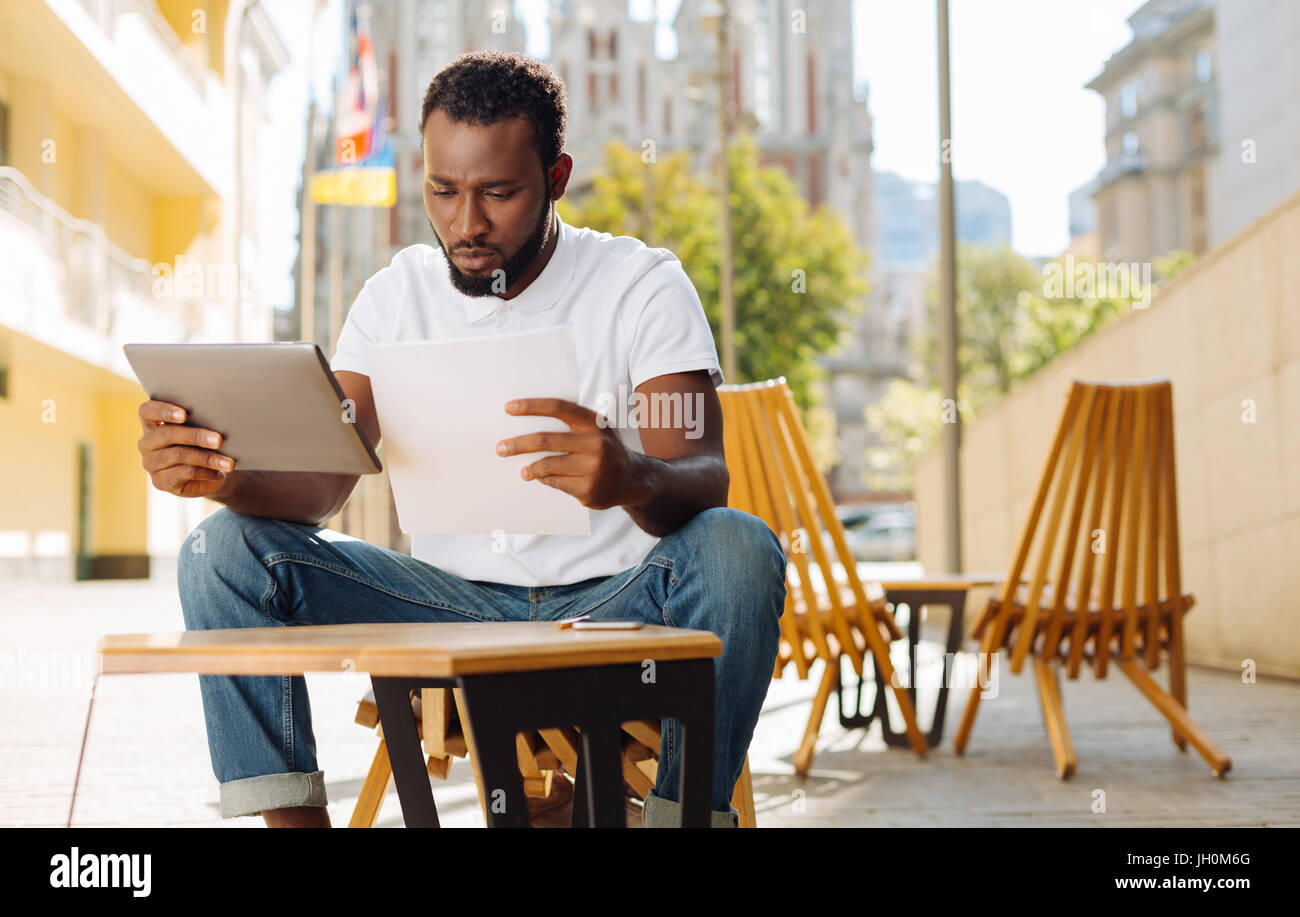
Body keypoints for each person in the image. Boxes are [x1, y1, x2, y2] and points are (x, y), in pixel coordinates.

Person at [136, 50, 785, 828]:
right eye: (442, 190)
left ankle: (675, 819)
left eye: (498, 193)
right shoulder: (394, 296)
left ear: (557, 177)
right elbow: (324, 487)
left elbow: (704, 478)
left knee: (741, 547)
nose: (466, 223)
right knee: (219, 551)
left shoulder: (642, 284)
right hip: (447, 605)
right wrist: (221, 474)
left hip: (615, 604)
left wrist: (631, 476)